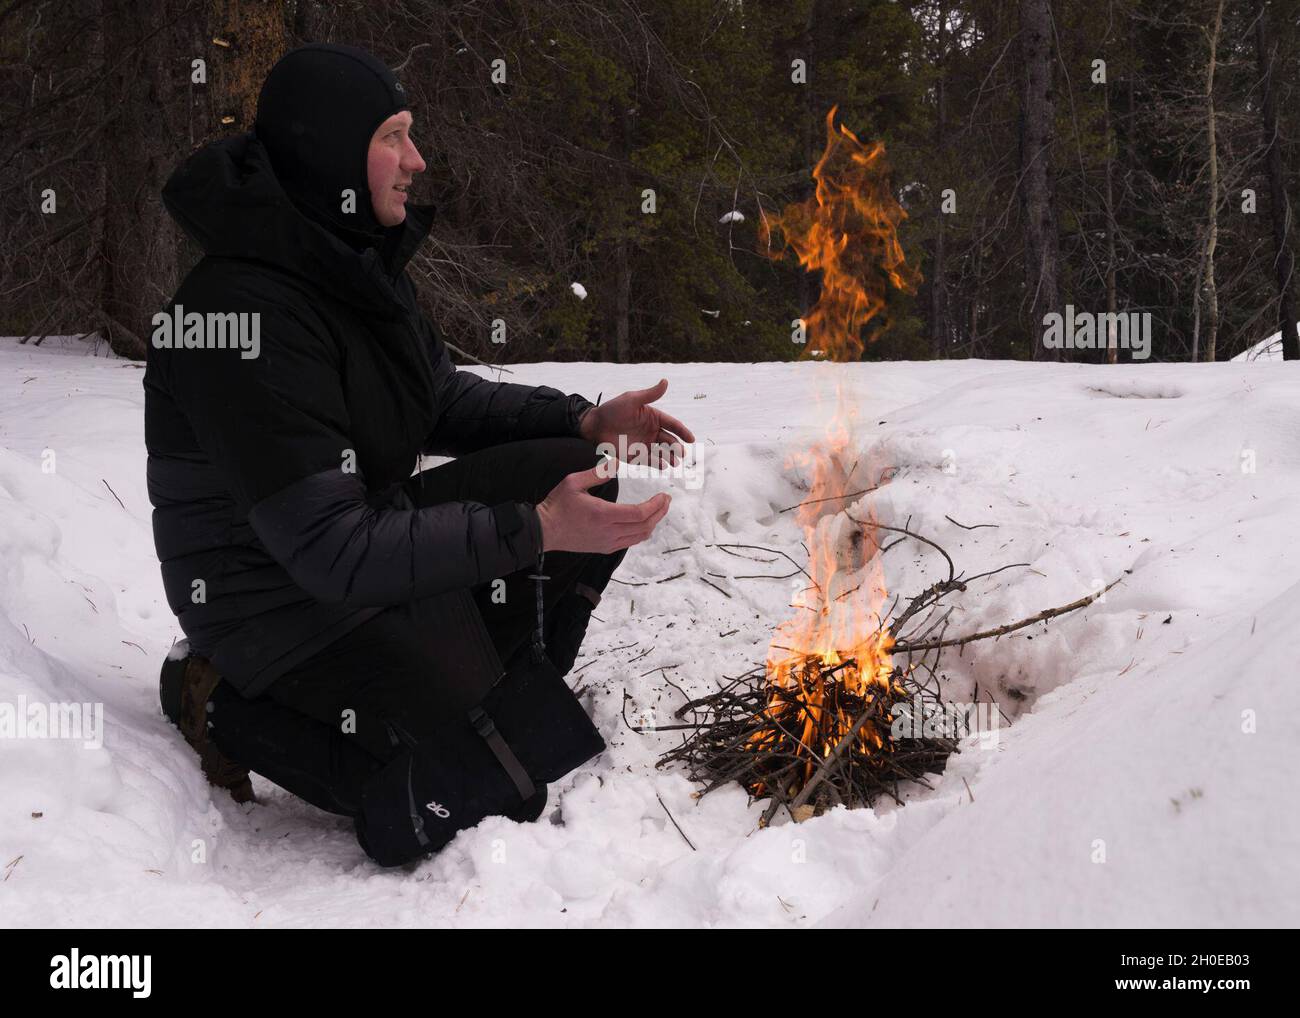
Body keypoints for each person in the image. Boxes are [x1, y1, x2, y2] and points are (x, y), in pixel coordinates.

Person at [144, 43, 694, 866]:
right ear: (331, 148)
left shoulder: (347, 254)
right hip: (274, 607)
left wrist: (585, 421)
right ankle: (215, 702)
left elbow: (436, 398)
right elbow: (329, 551)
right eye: (394, 137)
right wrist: (534, 530)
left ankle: (493, 701)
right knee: (487, 788)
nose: (418, 161)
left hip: (357, 549)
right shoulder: (240, 315)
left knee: (578, 474)